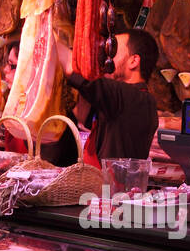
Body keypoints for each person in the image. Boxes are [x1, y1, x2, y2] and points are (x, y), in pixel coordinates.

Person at [56, 30, 159, 165]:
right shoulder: (116, 101)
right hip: (101, 183)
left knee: (106, 188)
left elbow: (72, 68)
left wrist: (46, 32)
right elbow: (83, 114)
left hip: (111, 186)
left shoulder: (136, 99)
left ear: (133, 61)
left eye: (112, 52)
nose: (105, 58)